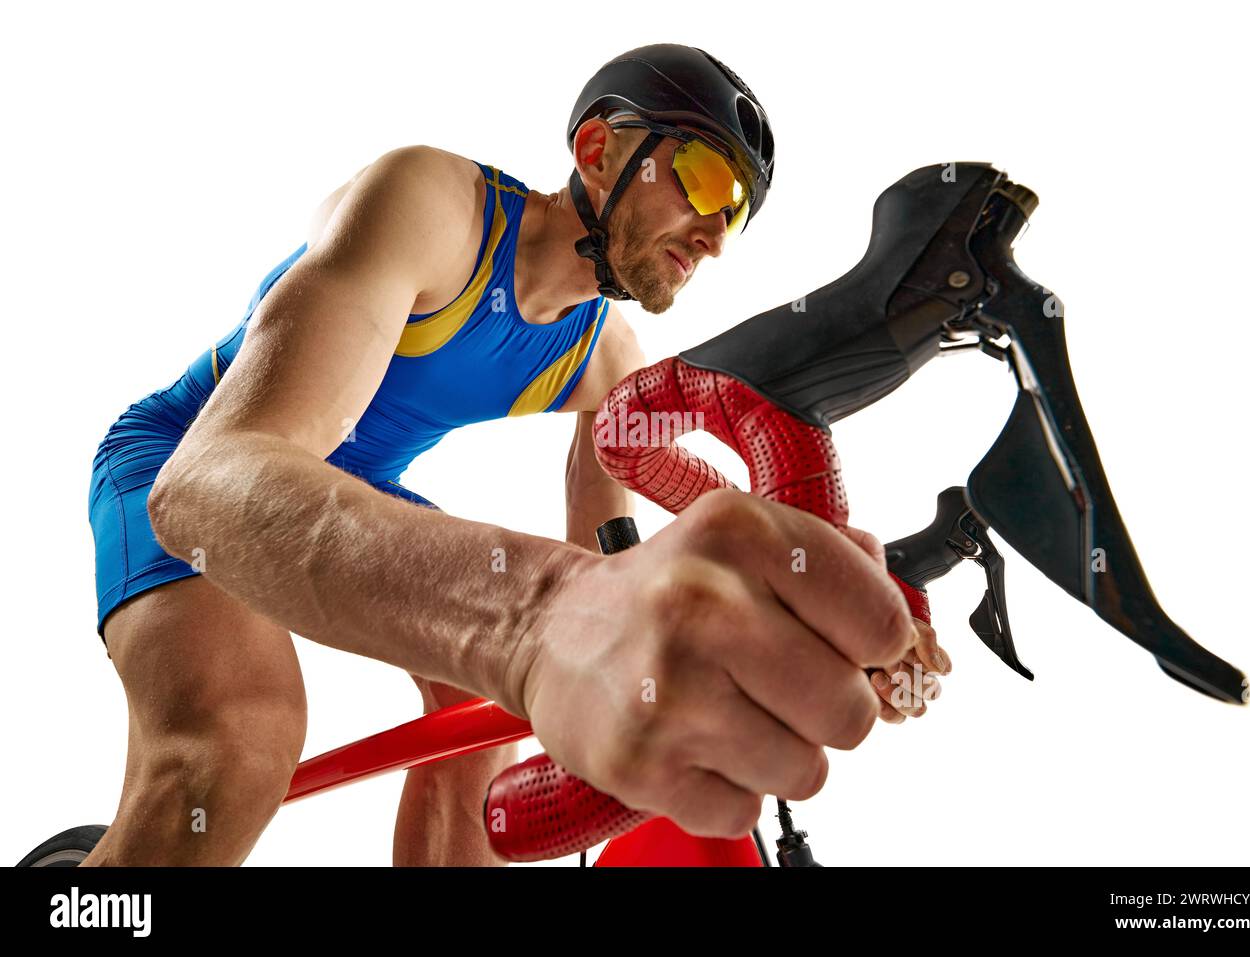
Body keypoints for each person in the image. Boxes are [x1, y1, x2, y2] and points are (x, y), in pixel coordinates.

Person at [82, 43, 950, 867]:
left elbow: (613, 569)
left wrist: (832, 608)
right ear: (598, 149)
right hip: (183, 450)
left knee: (486, 723)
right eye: (704, 178)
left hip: (358, 483)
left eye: (737, 212)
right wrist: (535, 618)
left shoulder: (608, 359)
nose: (716, 232)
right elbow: (208, 481)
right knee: (244, 738)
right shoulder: (434, 206)